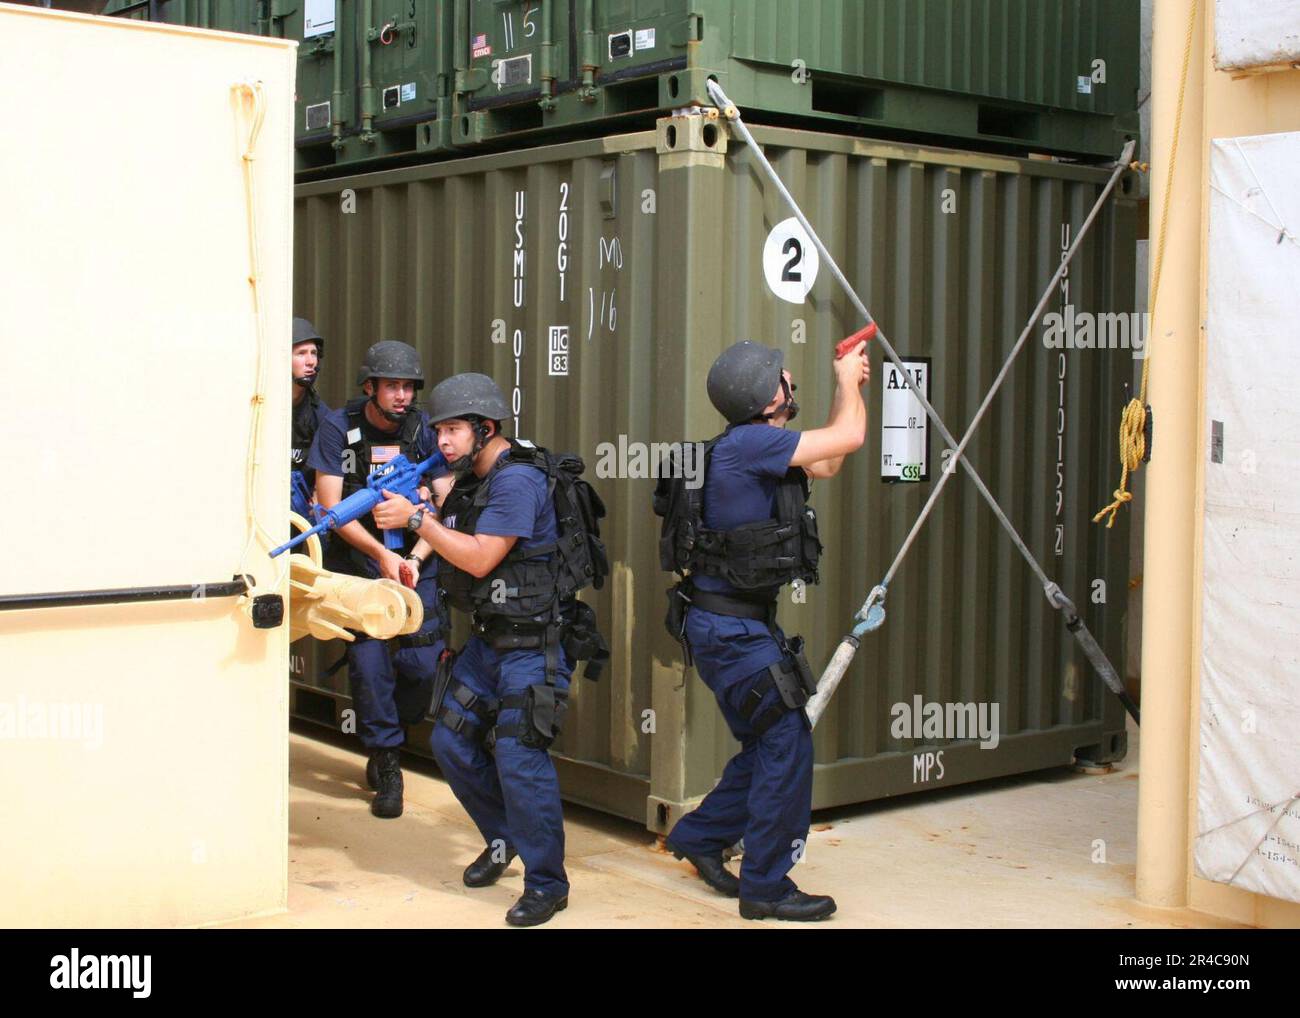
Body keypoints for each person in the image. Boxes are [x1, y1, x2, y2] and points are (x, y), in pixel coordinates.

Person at [373, 373, 603, 927]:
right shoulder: (474, 477)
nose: (442, 441)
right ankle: (505, 838)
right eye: (439, 430)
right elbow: (451, 529)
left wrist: (415, 517)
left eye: (453, 430)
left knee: (521, 758)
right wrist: (416, 546)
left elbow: (478, 558)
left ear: (486, 429)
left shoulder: (517, 481)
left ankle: (548, 884)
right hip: (489, 639)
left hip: (533, 643)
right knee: (451, 740)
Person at [657, 337, 869, 921]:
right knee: (787, 738)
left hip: (732, 625)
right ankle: (766, 886)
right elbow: (849, 437)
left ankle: (701, 836)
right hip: (731, 630)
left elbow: (827, 458)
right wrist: (848, 381)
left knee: (766, 739)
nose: (790, 380)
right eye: (783, 377)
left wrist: (847, 388)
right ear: (762, 393)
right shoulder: (750, 445)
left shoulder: (753, 446)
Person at [306, 340, 449, 819]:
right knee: (370, 666)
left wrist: (416, 555)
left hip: (417, 553)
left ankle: (398, 729)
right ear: (370, 388)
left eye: (409, 387)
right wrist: (380, 557)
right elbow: (330, 508)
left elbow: (445, 500)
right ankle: (386, 759)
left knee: (422, 664)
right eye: (392, 386)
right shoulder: (337, 427)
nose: (402, 396)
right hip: (361, 561)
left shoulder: (425, 429)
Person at [290, 317, 330, 520]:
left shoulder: (321, 415)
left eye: (314, 353)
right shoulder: (261, 407)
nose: (311, 361)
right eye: (301, 353)